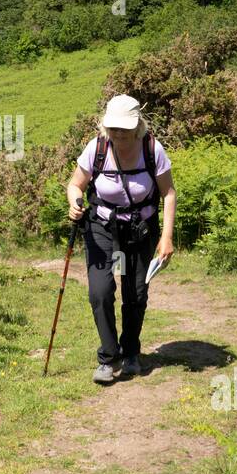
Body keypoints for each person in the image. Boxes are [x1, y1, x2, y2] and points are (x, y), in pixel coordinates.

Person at [66, 94, 176, 384]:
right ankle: (108, 356)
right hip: (103, 229)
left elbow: (169, 193)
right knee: (100, 291)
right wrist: (75, 201)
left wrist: (166, 238)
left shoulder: (153, 150)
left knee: (134, 292)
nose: (117, 134)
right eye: (112, 128)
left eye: (123, 129)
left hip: (139, 232)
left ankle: (130, 352)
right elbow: (76, 184)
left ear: (137, 125)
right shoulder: (97, 148)